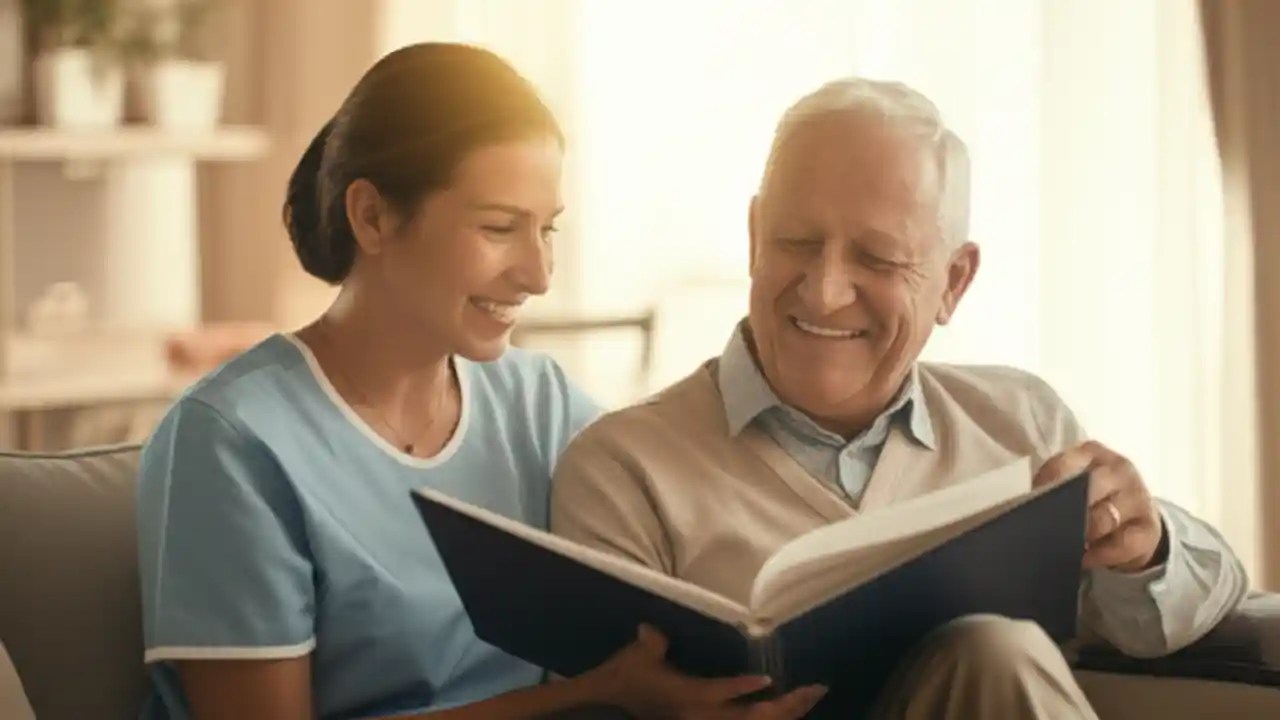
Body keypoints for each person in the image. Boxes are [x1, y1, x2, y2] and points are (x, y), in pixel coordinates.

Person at [135, 43, 826, 720]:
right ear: (372, 216)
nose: (538, 274)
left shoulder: (540, 406)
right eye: (500, 228)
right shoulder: (231, 444)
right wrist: (596, 693)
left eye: (547, 230)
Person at [550, 78, 1250, 719]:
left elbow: (1173, 620)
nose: (824, 291)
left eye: (878, 260)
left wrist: (1143, 544)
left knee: (990, 652)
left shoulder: (1020, 423)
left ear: (954, 281)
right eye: (796, 242)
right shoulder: (622, 469)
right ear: (755, 237)